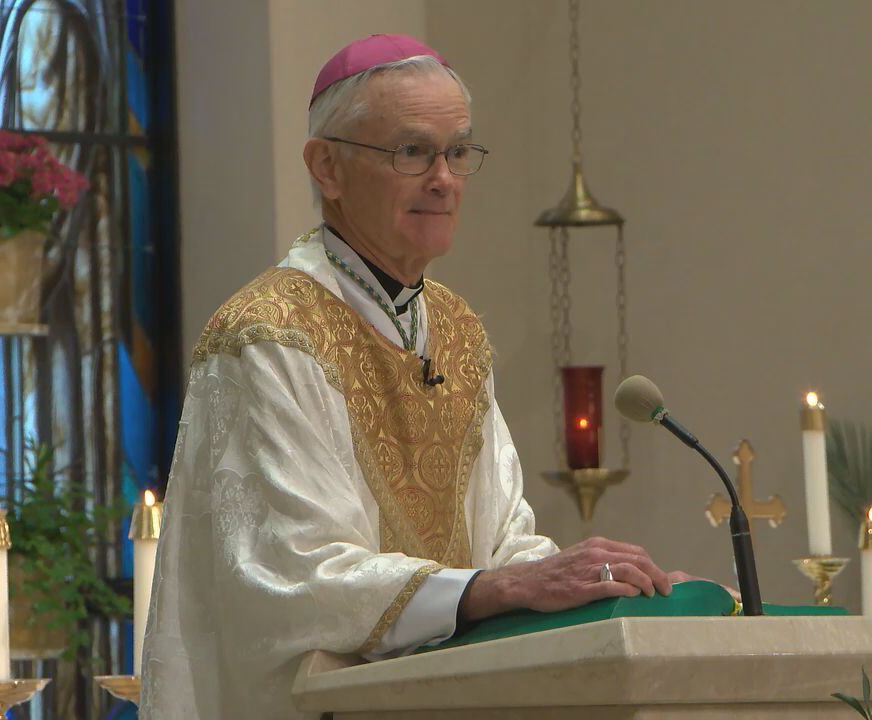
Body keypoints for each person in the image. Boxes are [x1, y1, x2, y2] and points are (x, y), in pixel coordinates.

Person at [140, 34, 689, 719]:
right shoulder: (269, 333)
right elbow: (295, 574)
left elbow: (504, 541)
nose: (444, 178)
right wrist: (492, 589)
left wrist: (603, 591)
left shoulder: (455, 330)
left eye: (458, 151)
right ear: (327, 167)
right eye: (412, 151)